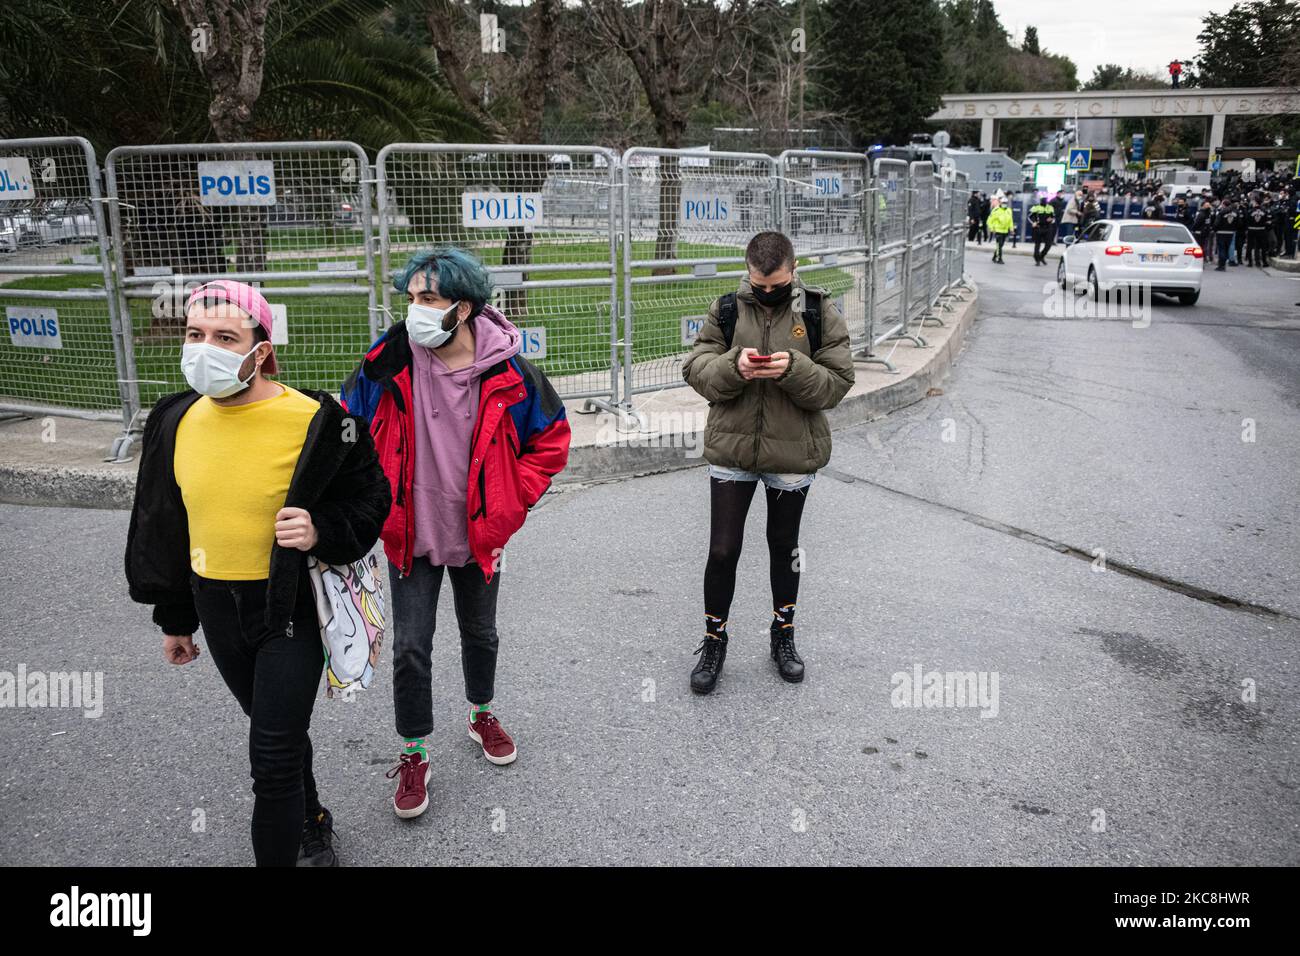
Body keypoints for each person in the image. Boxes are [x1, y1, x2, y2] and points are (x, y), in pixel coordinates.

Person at [125, 280, 391, 867]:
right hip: (216, 609)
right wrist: (175, 619)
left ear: (261, 350)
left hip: (287, 609)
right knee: (280, 735)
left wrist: (321, 528)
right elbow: (162, 524)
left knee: (269, 758)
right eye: (196, 335)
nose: (205, 348)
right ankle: (313, 817)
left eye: (225, 337)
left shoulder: (327, 421)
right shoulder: (172, 418)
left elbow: (373, 498)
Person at [340, 248, 571, 820]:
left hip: (477, 535)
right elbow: (346, 427)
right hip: (410, 532)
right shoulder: (388, 360)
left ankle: (481, 714)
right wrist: (370, 497)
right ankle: (414, 752)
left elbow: (553, 439)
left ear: (461, 309)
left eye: (428, 299)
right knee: (411, 647)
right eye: (411, 298)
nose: (414, 310)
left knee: (481, 634)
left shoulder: (509, 371)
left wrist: (509, 503)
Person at [680, 231, 854, 695]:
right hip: (732, 449)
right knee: (722, 550)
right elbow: (696, 370)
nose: (767, 292)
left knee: (785, 547)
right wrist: (734, 366)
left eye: (776, 285)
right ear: (748, 272)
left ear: (793, 271)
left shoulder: (818, 312)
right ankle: (714, 639)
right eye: (759, 284)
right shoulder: (727, 308)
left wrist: (793, 369)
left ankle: (784, 634)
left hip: (793, 450)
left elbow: (837, 384)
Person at [1213, 200, 1241, 271]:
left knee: (1221, 249)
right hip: (1230, 233)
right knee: (1226, 248)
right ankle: (1223, 264)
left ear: (1224, 205)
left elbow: (1216, 223)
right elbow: (1239, 223)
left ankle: (1221, 265)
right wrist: (1233, 229)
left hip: (1221, 232)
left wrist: (1215, 229)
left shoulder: (1221, 212)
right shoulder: (1236, 212)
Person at [1029, 194, 1056, 266]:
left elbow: (1053, 217)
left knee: (1048, 244)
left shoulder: (1050, 207)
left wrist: (1052, 219)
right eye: (1043, 199)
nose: (1044, 201)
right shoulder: (1036, 207)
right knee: (1037, 244)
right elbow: (1029, 217)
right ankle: (1037, 259)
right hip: (1038, 227)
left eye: (1045, 199)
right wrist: (1033, 222)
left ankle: (1041, 256)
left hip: (1048, 227)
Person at [986, 197, 1014, 264]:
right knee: (999, 245)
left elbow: (1010, 220)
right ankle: (999, 259)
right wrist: (992, 228)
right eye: (1003, 203)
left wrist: (1011, 228)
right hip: (998, 230)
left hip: (1005, 231)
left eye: (1005, 203)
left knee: (1000, 245)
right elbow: (989, 221)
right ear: (1000, 203)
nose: (1004, 204)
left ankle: (994, 257)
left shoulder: (1009, 210)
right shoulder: (996, 210)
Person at [1245, 198, 1270, 267]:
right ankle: (1264, 262)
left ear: (1255, 202)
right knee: (1262, 247)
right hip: (1261, 230)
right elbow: (1267, 221)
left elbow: (1247, 220)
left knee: (1250, 246)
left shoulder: (1250, 211)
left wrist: (1247, 229)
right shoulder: (1264, 211)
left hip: (1251, 230)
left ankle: (1250, 262)